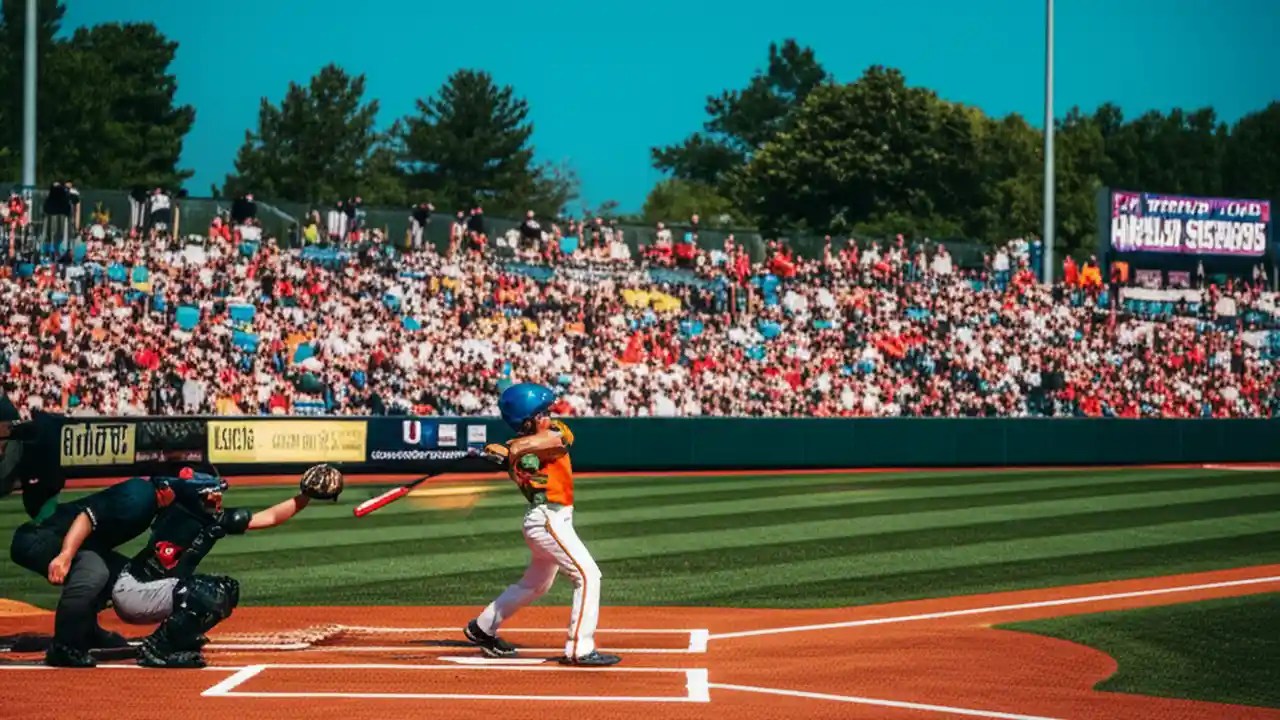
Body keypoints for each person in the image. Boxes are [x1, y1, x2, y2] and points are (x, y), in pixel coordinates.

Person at [111, 464, 344, 668]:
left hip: (156, 591)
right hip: (137, 592)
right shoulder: (181, 516)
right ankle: (157, 649)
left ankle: (182, 636)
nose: (217, 497)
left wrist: (304, 495)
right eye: (211, 493)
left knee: (227, 589)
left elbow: (270, 517)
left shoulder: (205, 515)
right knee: (208, 593)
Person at [463, 383, 619, 666]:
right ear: (528, 419)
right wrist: (509, 452)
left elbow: (558, 440)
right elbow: (528, 454)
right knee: (588, 576)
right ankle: (579, 649)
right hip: (548, 519)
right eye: (542, 412)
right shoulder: (517, 455)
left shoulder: (547, 436)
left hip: (549, 520)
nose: (550, 415)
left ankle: (482, 627)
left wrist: (509, 449)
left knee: (537, 584)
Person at [8, 472, 195, 666]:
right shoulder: (140, 497)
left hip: (74, 543)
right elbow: (87, 517)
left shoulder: (152, 504)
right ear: (164, 489)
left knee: (126, 576)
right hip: (42, 537)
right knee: (94, 571)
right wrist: (65, 555)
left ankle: (87, 631)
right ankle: (65, 646)